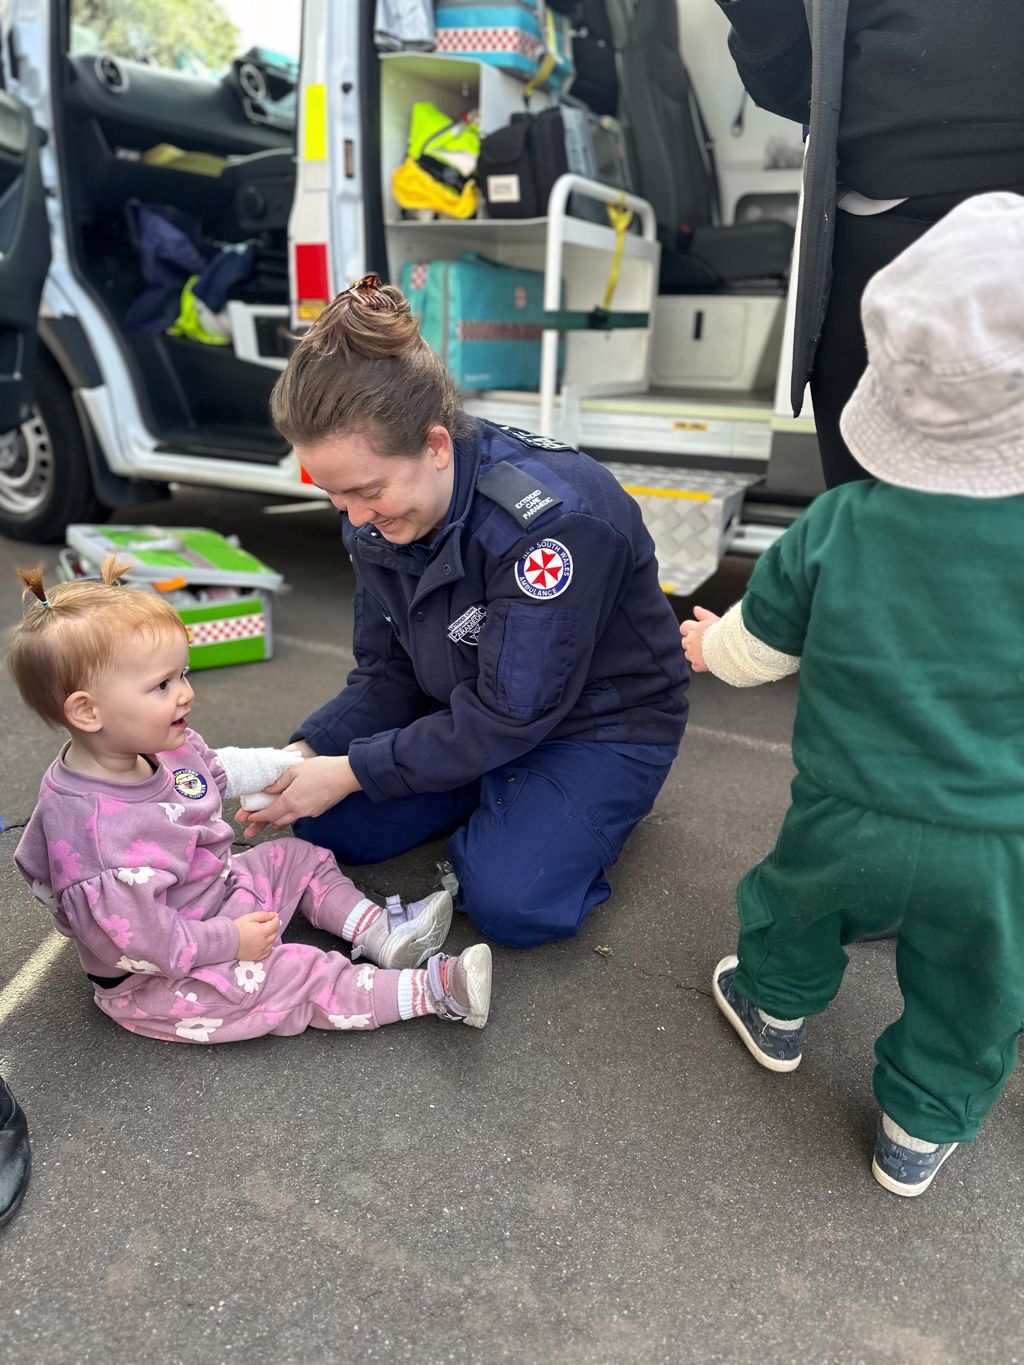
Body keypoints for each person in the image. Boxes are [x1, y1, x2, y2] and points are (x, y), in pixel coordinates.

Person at [680, 193, 1024, 1196]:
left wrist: (708, 644)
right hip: (999, 841)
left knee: (794, 907)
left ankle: (774, 1009)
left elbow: (756, 651)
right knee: (975, 988)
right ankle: (917, 1127)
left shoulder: (838, 523)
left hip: (845, 811)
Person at [241, 274, 689, 949]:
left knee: (510, 900)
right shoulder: (377, 516)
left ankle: (575, 807)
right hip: (468, 706)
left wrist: (354, 769)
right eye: (334, 496)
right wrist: (303, 753)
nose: (355, 518)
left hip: (596, 725)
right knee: (320, 821)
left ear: (437, 445)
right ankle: (495, 794)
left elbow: (511, 713)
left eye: (367, 491)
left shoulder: (552, 528)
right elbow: (386, 674)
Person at [9, 558, 492, 1044]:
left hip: (211, 895)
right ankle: (434, 992)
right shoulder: (100, 843)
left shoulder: (151, 744)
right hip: (163, 976)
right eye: (162, 685)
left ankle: (381, 933)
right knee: (295, 973)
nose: (186, 694)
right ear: (87, 711)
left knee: (298, 857)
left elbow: (216, 769)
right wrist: (232, 940)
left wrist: (289, 766)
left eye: (183, 674)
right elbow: (150, 942)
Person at [715, 0, 1024, 487]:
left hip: (882, 214)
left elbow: (791, 81)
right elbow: (797, 81)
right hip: (879, 221)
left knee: (870, 514)